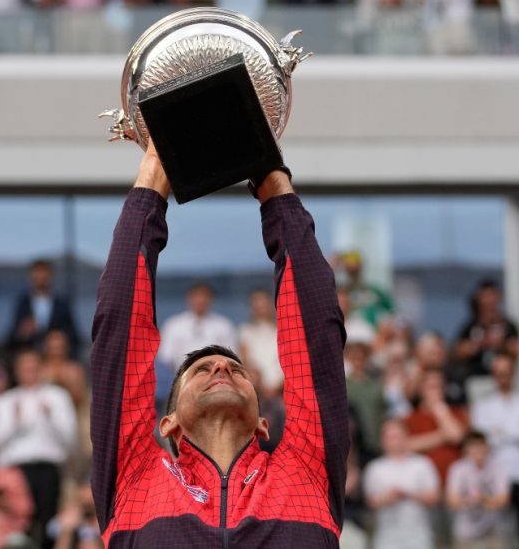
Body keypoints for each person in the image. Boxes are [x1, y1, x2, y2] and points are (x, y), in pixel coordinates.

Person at [89, 145, 347, 546]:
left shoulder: (304, 472)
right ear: (168, 423)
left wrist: (271, 178)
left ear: (264, 424)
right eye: (201, 370)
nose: (223, 367)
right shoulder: (136, 478)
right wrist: (155, 170)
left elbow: (317, 334)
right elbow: (119, 331)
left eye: (237, 370)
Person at [0, 348, 77, 547]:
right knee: (20, 524)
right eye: (24, 368)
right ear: (17, 371)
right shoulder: (6, 400)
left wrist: (51, 417)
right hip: (16, 471)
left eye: (33, 367)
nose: (29, 372)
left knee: (48, 522)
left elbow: (70, 438)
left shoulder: (57, 396)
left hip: (47, 469)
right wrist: (14, 423)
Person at [471, 353, 519, 549]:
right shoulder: (484, 406)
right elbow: (482, 438)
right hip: (495, 474)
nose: (503, 377)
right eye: (498, 373)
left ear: (513, 373)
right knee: (497, 529)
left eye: (506, 372)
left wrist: (500, 432)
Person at [363, 420, 440, 549]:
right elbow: (369, 502)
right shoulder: (374, 468)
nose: (395, 441)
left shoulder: (422, 463)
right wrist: (388, 497)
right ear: (382, 440)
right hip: (386, 539)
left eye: (398, 436)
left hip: (420, 537)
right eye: (390, 437)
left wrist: (409, 495)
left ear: (407, 437)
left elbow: (434, 498)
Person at [446, 431, 511, 549]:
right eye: (473, 446)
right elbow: (452, 501)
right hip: (466, 532)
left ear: (487, 447)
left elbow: (504, 500)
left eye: (481, 445)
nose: (478, 450)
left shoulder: (498, 467)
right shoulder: (458, 469)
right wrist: (469, 500)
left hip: (494, 531)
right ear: (466, 449)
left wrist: (483, 499)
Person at [404, 368, 469, 485]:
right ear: (421, 389)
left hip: (454, 482)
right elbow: (408, 445)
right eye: (431, 386)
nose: (436, 391)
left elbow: (457, 436)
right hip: (424, 485)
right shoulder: (411, 418)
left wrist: (441, 410)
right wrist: (443, 436)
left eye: (439, 386)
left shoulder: (456, 413)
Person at [157, 282, 237, 372]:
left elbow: (232, 356)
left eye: (205, 296)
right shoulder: (173, 325)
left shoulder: (223, 325)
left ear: (212, 299)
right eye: (196, 296)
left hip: (216, 375)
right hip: (182, 375)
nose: (201, 300)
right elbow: (165, 358)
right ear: (188, 298)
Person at [451, 280, 519, 385]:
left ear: (498, 297)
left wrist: (501, 344)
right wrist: (478, 345)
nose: (489, 300)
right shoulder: (471, 326)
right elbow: (458, 351)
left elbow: (516, 350)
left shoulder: (508, 326)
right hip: (476, 380)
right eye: (485, 296)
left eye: (491, 295)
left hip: (503, 382)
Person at [7, 259, 80, 354]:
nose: (41, 278)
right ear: (30, 277)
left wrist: (58, 338)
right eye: (37, 274)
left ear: (51, 276)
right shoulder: (22, 303)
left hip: (56, 356)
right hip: (30, 357)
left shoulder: (62, 304)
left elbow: (73, 336)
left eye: (43, 273)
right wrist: (22, 332)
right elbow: (12, 337)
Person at [345, 334, 387, 462]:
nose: (358, 361)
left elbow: (382, 414)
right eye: (354, 357)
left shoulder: (376, 387)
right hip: (351, 448)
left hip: (373, 445)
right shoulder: (343, 386)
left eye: (362, 356)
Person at [238, 289, 283, 398]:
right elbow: (246, 359)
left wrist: (280, 384)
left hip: (283, 387)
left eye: (263, 304)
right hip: (257, 388)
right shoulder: (245, 330)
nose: (260, 307)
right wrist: (259, 384)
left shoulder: (283, 329)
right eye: (256, 305)